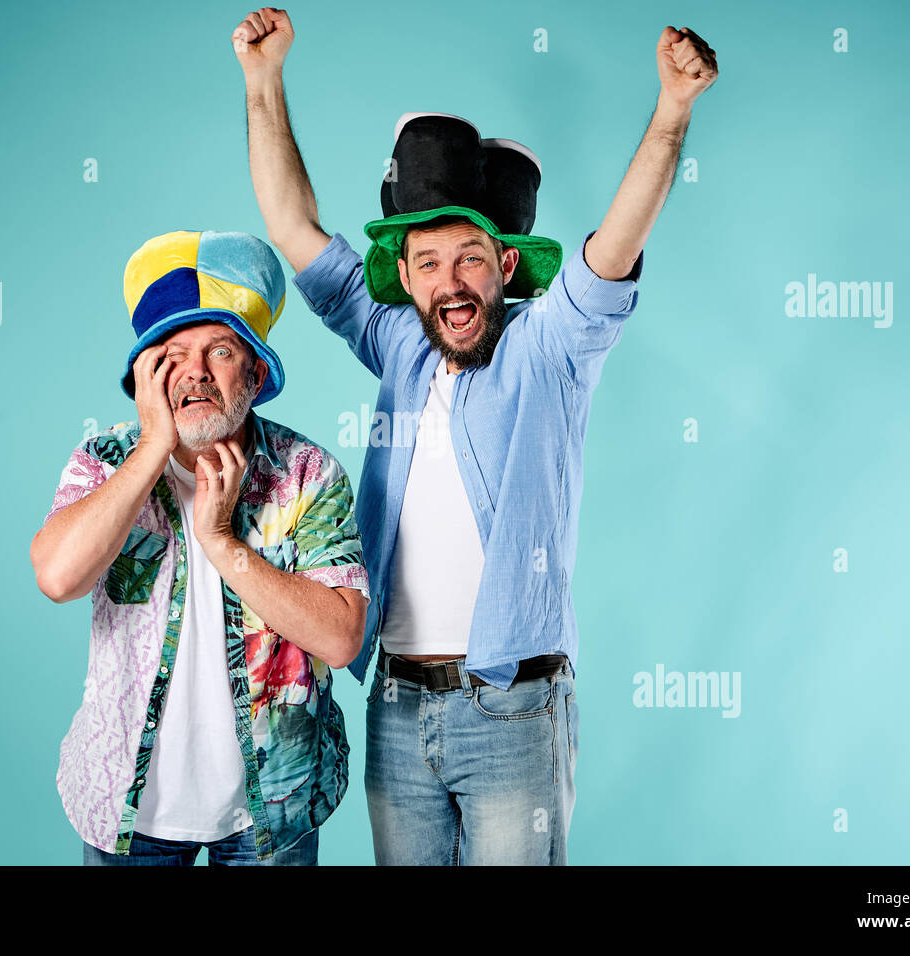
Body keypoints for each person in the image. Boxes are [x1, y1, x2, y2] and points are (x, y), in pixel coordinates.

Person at [232, 8, 718, 865]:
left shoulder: (549, 349)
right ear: (407, 278)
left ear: (505, 266)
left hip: (514, 708)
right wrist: (263, 82)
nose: (449, 281)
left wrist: (672, 107)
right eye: (427, 262)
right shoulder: (399, 347)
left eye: (469, 257)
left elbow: (613, 246)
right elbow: (295, 231)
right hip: (395, 704)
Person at [30, 229, 369, 865]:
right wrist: (153, 447)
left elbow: (342, 637)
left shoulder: (306, 473)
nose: (194, 372)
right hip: (127, 810)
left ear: (257, 371)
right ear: (143, 373)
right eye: (171, 353)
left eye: (219, 350)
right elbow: (56, 576)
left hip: (273, 808)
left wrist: (221, 542)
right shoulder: (104, 463)